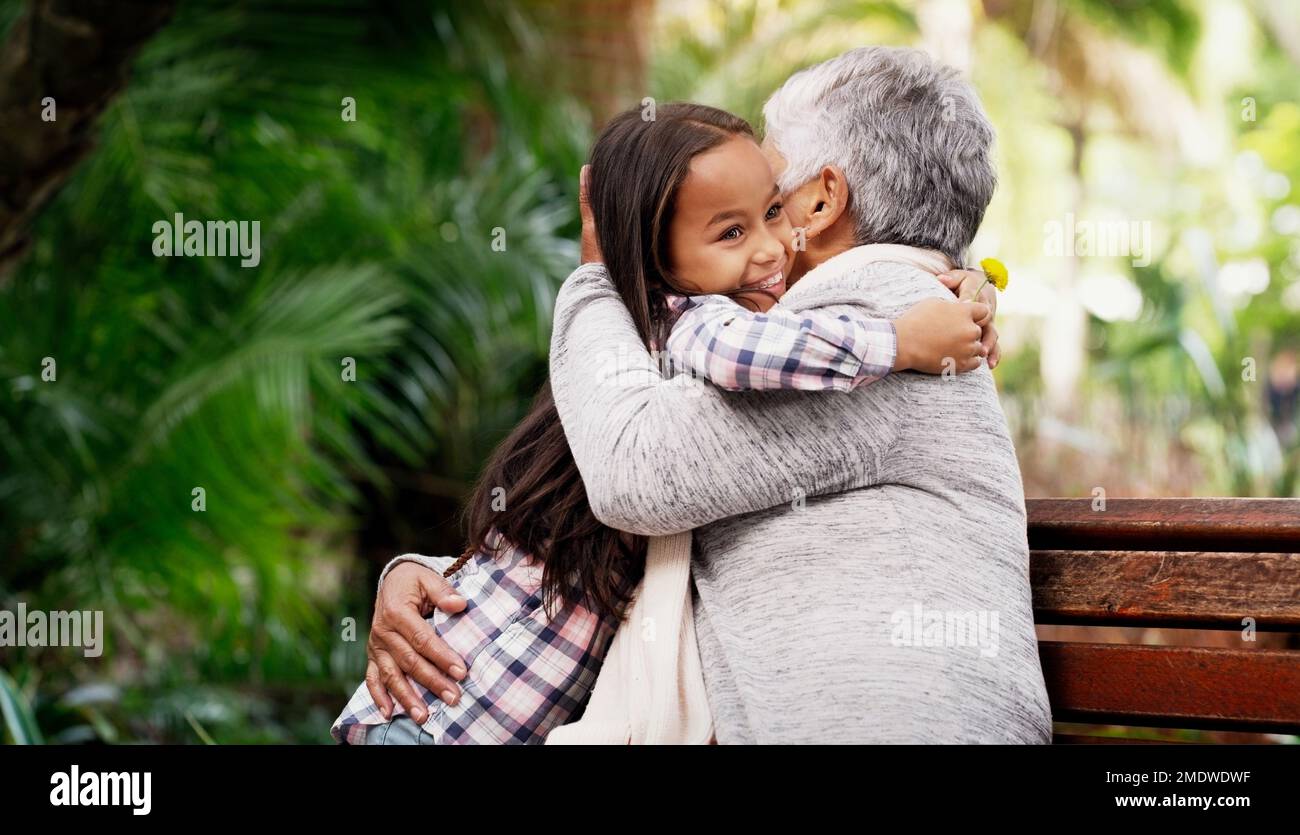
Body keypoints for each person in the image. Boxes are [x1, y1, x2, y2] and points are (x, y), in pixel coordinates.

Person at [332, 99, 996, 744]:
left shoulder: (654, 352)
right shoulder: (696, 331)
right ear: (659, 259)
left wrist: (964, 282)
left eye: (772, 211)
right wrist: (898, 339)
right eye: (731, 231)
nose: (770, 248)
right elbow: (745, 358)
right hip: (435, 712)